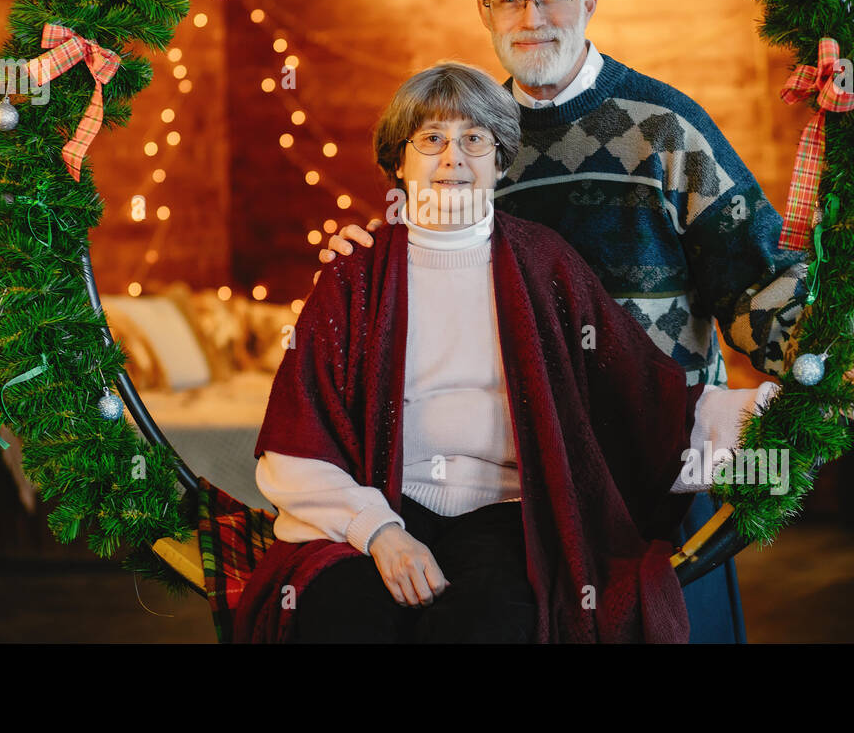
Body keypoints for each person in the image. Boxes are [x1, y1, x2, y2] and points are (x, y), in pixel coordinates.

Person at [317, 0, 854, 643]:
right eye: (509, 0)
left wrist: (840, 355)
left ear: (590, 0)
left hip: (663, 462)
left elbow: (757, 283)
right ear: (485, 15)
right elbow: (413, 266)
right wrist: (360, 255)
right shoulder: (473, 144)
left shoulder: (664, 128)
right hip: (524, 483)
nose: (533, 18)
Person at [231, 62, 785, 644]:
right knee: (337, 618)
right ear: (398, 162)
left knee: (490, 624)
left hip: (509, 517)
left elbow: (645, 397)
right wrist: (378, 531)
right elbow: (295, 443)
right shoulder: (353, 277)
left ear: (500, 162)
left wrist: (786, 415)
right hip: (383, 502)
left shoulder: (544, 263)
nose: (453, 158)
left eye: (476, 139)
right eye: (431, 139)